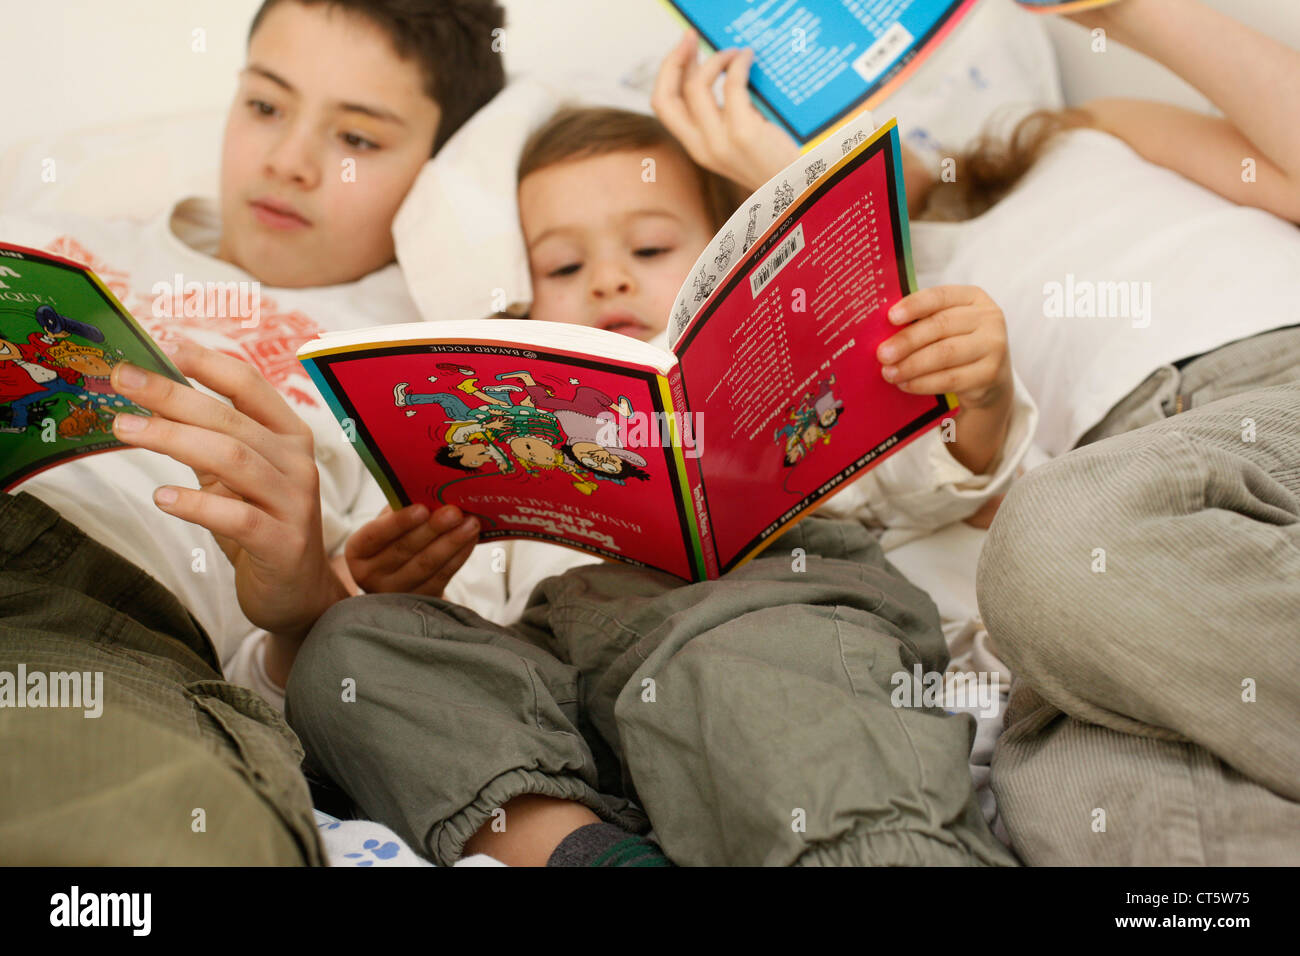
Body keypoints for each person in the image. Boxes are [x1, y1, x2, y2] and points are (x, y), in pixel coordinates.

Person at [284, 102, 1037, 867]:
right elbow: (465, 658)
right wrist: (401, 585)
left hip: (767, 624)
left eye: (648, 247)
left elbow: (949, 475)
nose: (608, 278)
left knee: (764, 680)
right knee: (347, 652)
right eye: (565, 268)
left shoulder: (779, 384)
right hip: (572, 692)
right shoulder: (511, 425)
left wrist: (982, 393)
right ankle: (589, 852)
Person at [656, 0, 1300, 863]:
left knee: (1054, 547)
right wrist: (803, 206)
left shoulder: (1080, 137)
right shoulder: (886, 318)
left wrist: (1125, 10)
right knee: (1064, 786)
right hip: (1129, 539)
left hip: (1264, 382)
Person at [0, 0, 506, 864]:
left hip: (85, 628)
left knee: (153, 839)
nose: (287, 161)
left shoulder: (426, 379)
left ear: (440, 169)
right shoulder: (44, 234)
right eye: (267, 105)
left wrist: (306, 607)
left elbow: (307, 695)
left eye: (357, 139)